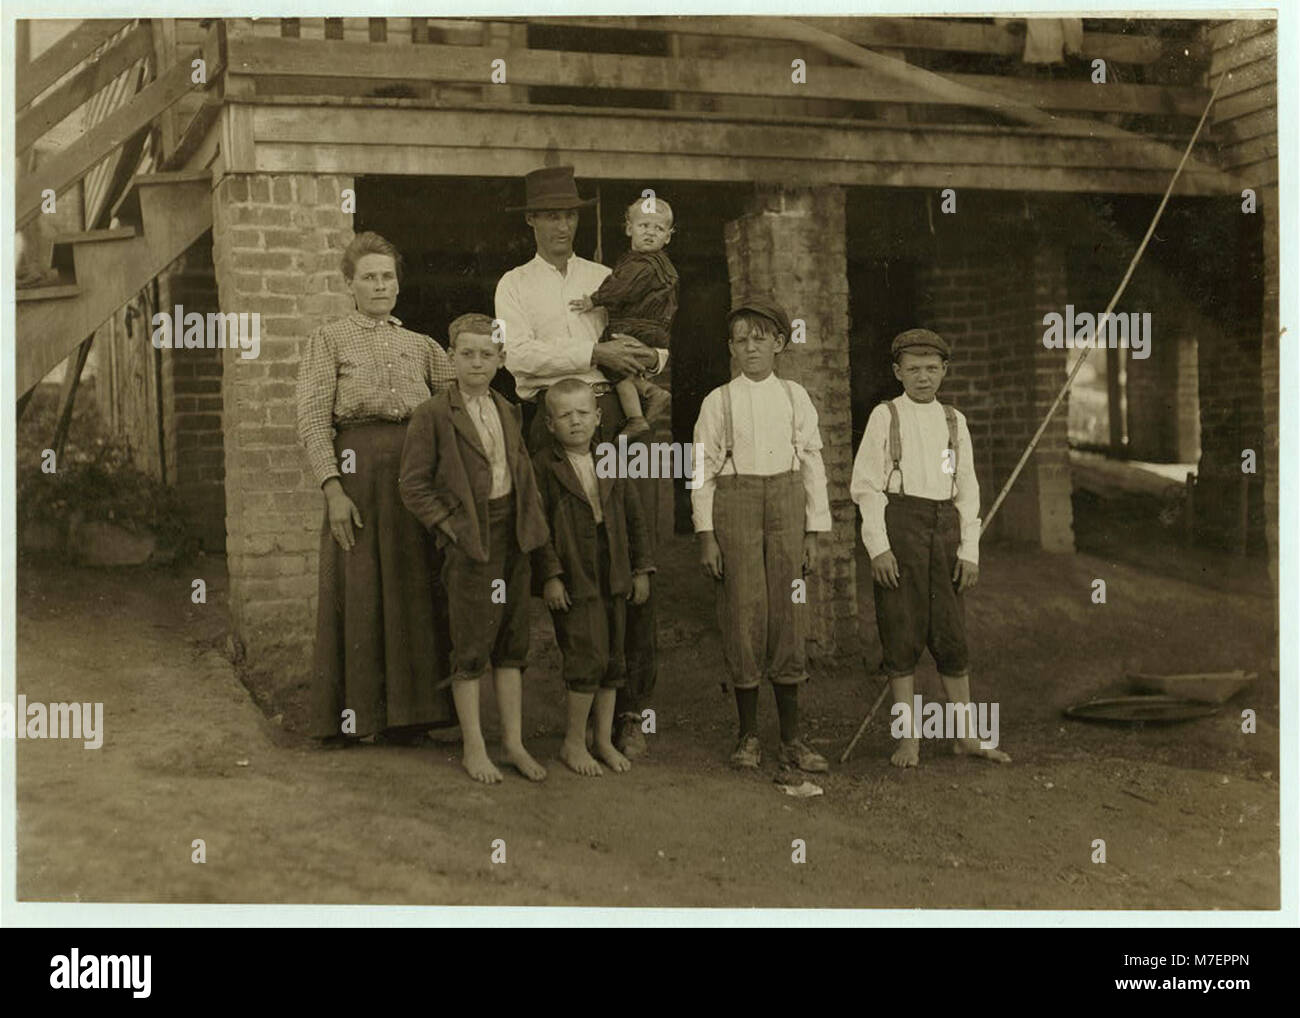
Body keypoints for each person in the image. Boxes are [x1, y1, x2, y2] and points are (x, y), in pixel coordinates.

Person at [495, 164, 666, 758]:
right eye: (550, 215)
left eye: (570, 214)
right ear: (532, 222)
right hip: (548, 423)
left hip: (615, 419)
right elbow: (516, 357)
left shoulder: (608, 275)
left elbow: (650, 327)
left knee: (629, 553)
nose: (561, 224)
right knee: (567, 560)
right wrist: (594, 350)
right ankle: (574, 711)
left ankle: (631, 713)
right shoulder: (513, 285)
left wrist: (647, 361)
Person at [296, 231, 456, 743]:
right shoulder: (330, 340)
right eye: (369, 277)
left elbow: (456, 404)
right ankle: (351, 719)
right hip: (357, 471)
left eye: (388, 276)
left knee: (412, 585)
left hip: (413, 474)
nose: (381, 285)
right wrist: (332, 488)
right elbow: (313, 418)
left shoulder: (422, 346)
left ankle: (410, 719)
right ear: (350, 284)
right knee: (358, 586)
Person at [849, 328, 1012, 768]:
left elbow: (968, 492)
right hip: (900, 527)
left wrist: (970, 551)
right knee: (901, 633)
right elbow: (865, 487)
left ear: (944, 371)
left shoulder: (954, 421)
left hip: (944, 532)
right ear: (897, 372)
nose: (923, 377)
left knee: (951, 635)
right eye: (914, 369)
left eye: (932, 369)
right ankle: (909, 739)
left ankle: (965, 736)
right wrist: (879, 547)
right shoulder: (886, 416)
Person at [398, 313, 551, 784]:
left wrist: (531, 528)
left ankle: (513, 743)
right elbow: (413, 484)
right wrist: (450, 528)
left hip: (513, 536)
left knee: (511, 643)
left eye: (487, 354)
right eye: (467, 353)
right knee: (471, 646)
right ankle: (474, 747)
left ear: (501, 359)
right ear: (450, 358)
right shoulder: (433, 414)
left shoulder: (508, 409)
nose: (477, 363)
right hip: (472, 541)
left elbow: (520, 471)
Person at [691, 300, 831, 773]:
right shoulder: (718, 401)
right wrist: (706, 534)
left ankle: (792, 738)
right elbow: (701, 473)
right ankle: (748, 734)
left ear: (778, 343)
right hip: (737, 502)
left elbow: (813, 463)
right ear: (731, 348)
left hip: (788, 501)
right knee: (742, 608)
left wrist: (814, 531)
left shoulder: (796, 396)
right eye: (741, 340)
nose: (751, 347)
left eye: (760, 338)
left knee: (790, 610)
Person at [533, 379, 654, 776]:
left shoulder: (612, 457)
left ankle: (602, 739)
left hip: (613, 566)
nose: (575, 422)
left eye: (583, 413)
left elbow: (635, 518)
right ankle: (572, 742)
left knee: (613, 657)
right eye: (564, 416)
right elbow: (539, 528)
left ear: (599, 417)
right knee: (586, 655)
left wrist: (640, 569)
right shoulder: (544, 468)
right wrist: (551, 575)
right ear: (550, 424)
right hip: (575, 570)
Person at [568, 198, 677, 439]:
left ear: (668, 237)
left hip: (639, 325)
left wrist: (594, 300)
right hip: (649, 327)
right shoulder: (645, 262)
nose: (650, 232)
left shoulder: (644, 265)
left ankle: (636, 418)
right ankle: (648, 390)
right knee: (619, 362)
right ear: (629, 228)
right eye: (644, 226)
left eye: (658, 229)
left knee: (610, 357)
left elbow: (621, 289)